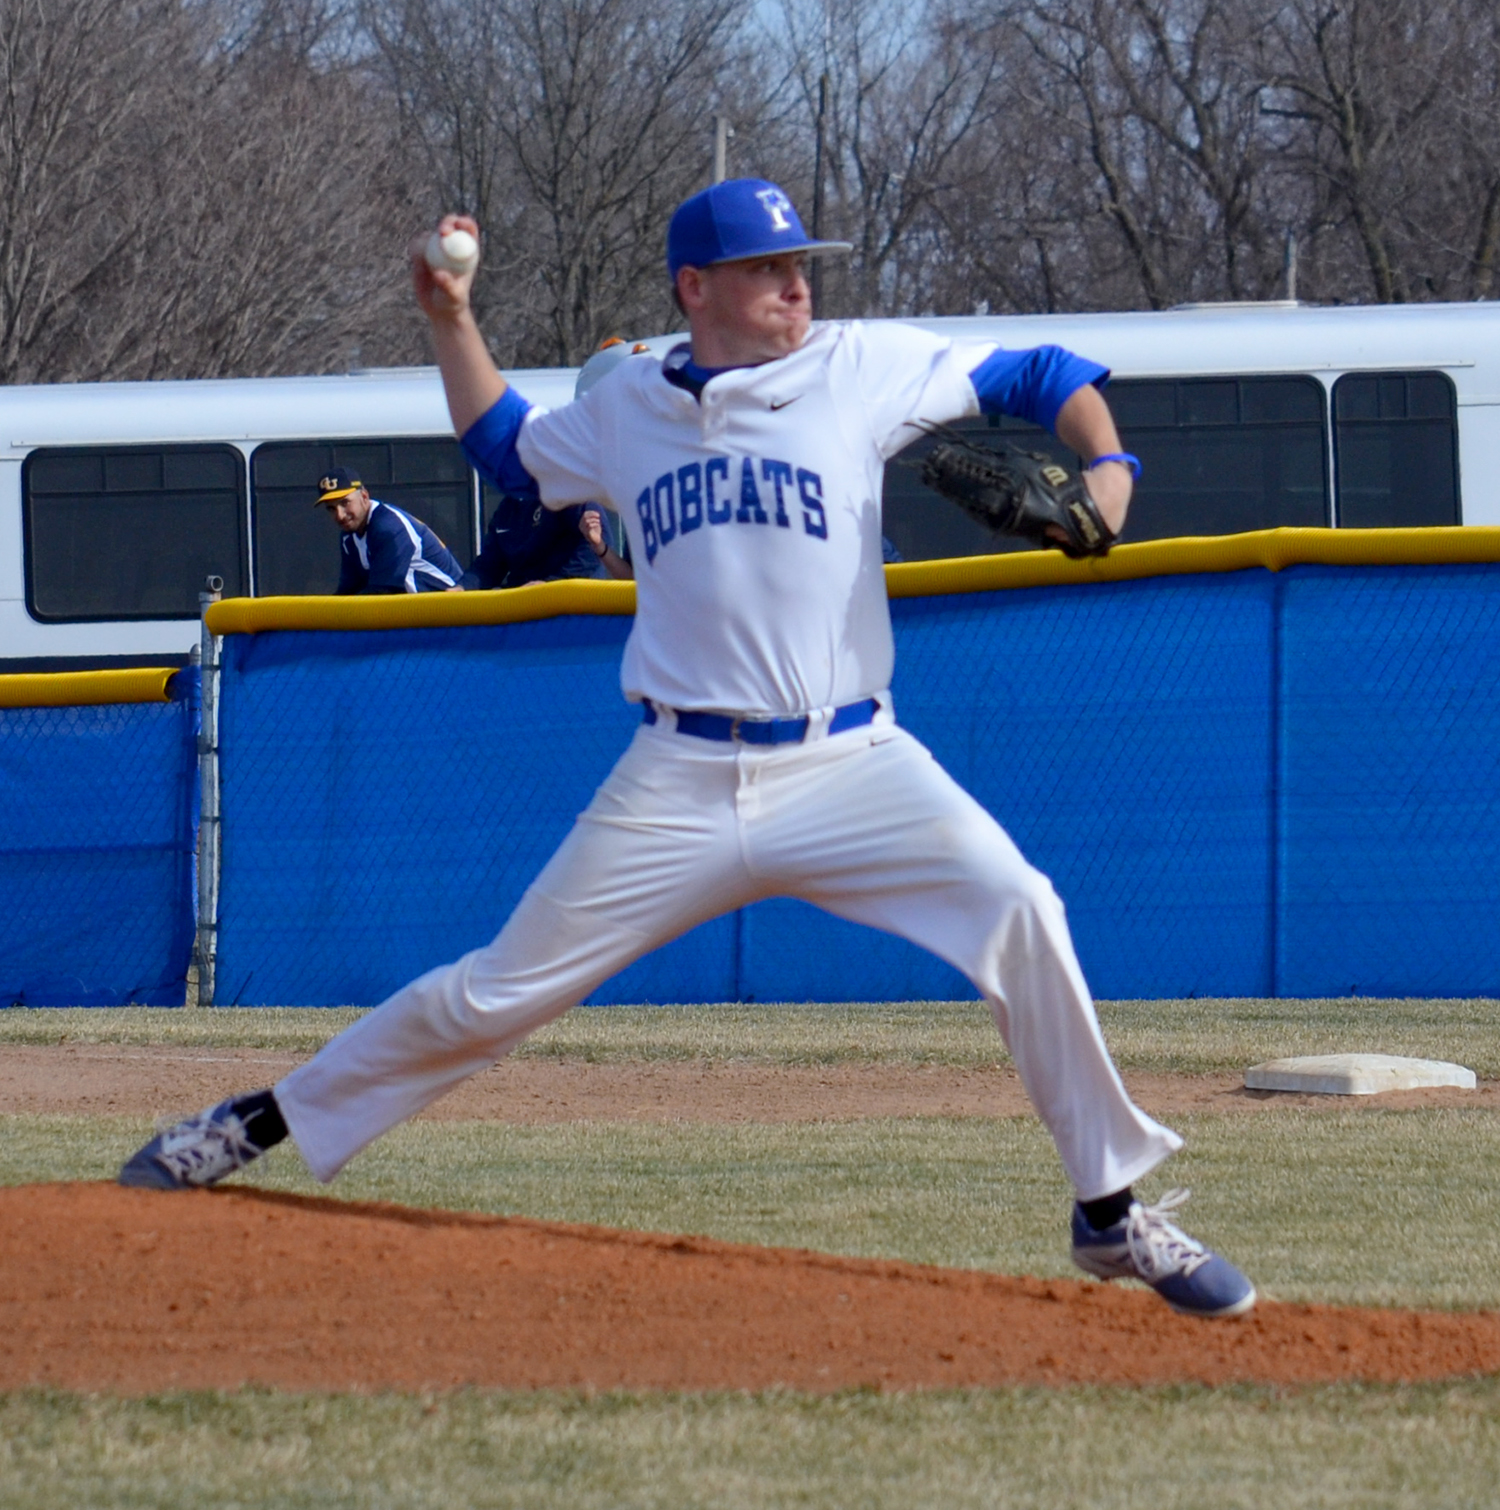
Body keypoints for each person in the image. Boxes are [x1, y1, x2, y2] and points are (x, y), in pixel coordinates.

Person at [120, 179, 1255, 1320]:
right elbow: (510, 452)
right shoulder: (630, 407)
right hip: (679, 778)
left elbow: (1044, 374)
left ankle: (1108, 1214)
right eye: (769, 268)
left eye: (802, 262)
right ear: (695, 287)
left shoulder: (858, 366)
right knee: (493, 996)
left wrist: (1112, 474)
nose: (797, 284)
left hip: (852, 762)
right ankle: (252, 1121)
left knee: (1021, 906)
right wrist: (450, 321)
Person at [318, 467, 464, 594]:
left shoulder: (388, 526)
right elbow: (348, 590)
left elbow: (383, 591)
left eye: (345, 503)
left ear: (364, 496)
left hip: (450, 612)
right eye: (331, 508)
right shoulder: (348, 536)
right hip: (420, 612)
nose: (340, 515)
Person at [461, 495, 623, 589]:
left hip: (573, 610)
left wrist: (549, 585)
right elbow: (489, 565)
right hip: (523, 608)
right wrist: (462, 588)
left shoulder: (570, 493)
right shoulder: (507, 508)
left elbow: (593, 550)